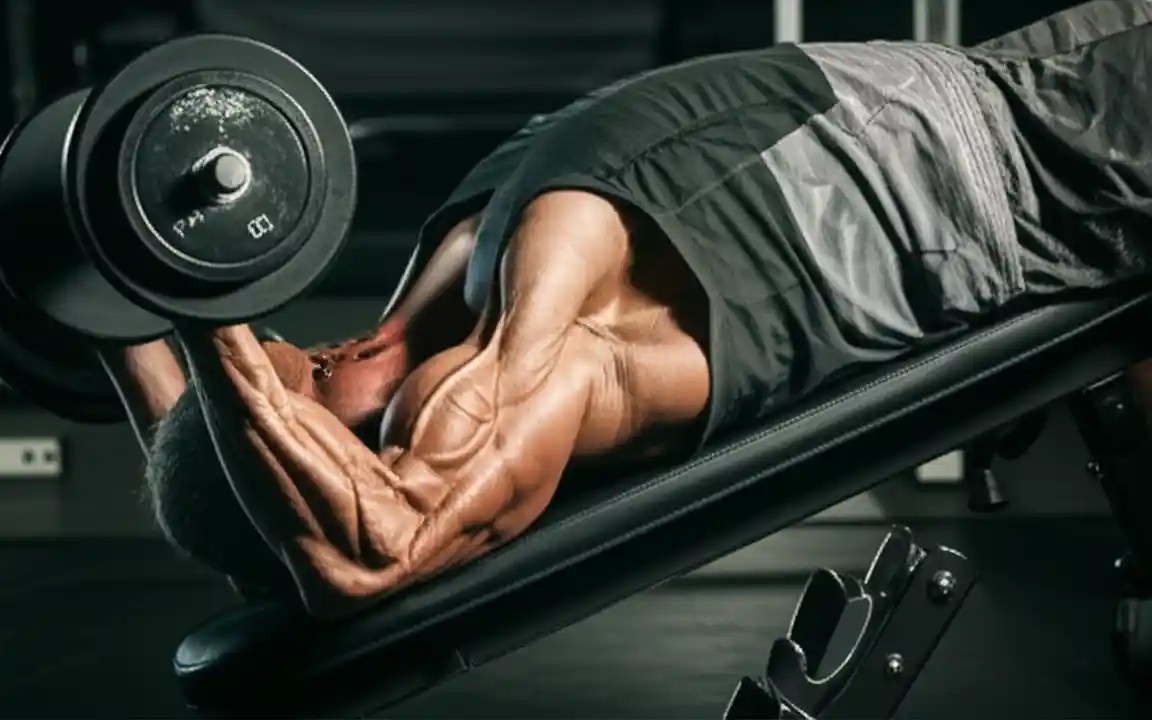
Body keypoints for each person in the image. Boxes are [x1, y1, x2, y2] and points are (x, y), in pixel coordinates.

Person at [109, 0, 1152, 614]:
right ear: (324, 462)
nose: (320, 347)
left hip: (1023, 87)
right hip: (1064, 160)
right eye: (314, 381)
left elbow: (200, 458)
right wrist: (206, 303)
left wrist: (125, 321)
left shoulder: (451, 280)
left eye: (290, 351)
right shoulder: (518, 372)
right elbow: (362, 553)